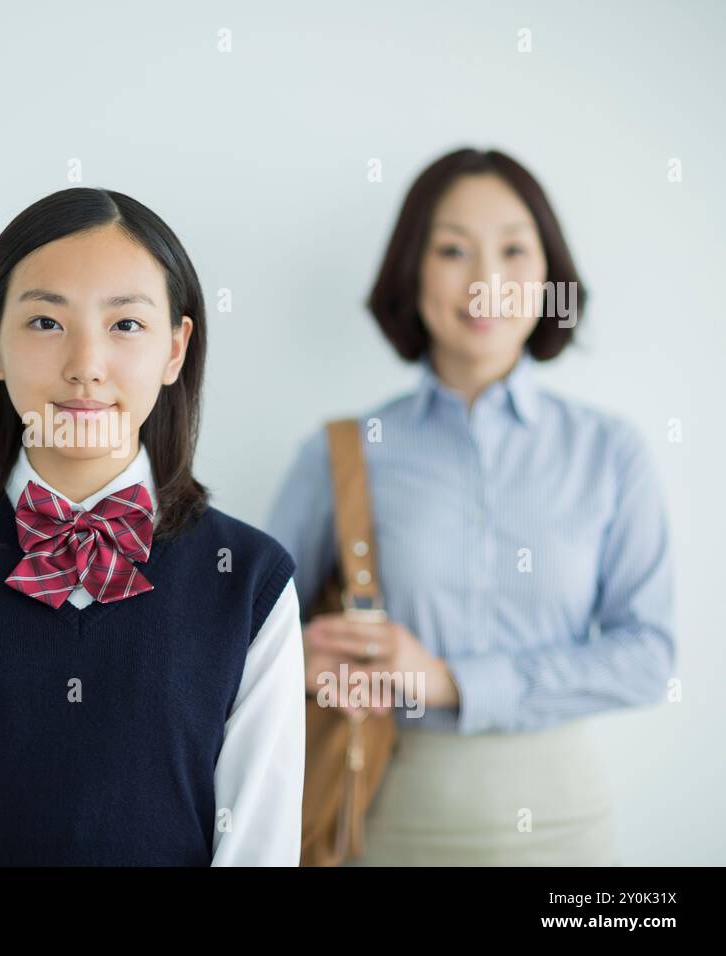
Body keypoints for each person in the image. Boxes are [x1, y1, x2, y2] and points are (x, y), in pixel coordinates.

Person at [0, 186, 305, 866]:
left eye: (125, 325)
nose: (86, 364)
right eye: (47, 323)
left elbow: (257, 846)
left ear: (176, 349)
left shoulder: (250, 580)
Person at [268, 148, 675, 865]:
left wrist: (454, 681)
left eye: (514, 250)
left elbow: (648, 656)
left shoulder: (610, 451)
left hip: (567, 826)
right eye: (454, 249)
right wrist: (310, 664)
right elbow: (255, 639)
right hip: (390, 820)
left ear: (550, 273)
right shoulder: (344, 451)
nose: (486, 281)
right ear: (412, 270)